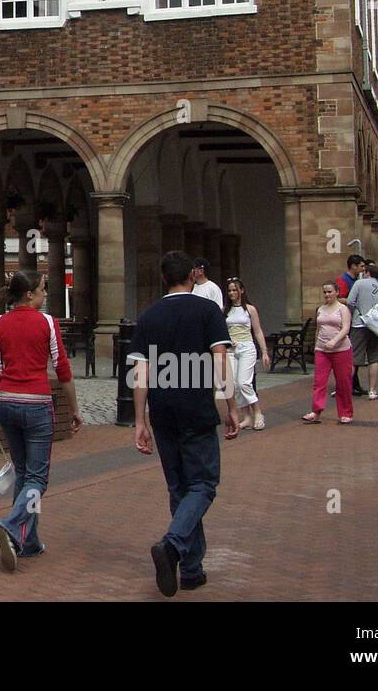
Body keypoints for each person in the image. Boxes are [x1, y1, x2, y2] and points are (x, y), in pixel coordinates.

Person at [131, 251, 238, 597]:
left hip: (163, 410)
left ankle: (192, 570)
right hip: (195, 407)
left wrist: (139, 421)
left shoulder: (148, 317)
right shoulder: (207, 311)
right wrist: (231, 405)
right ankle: (174, 545)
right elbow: (220, 358)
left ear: (164, 277)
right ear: (192, 276)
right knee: (204, 484)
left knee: (180, 488)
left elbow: (141, 371)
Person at [0, 270, 82, 572]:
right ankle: (11, 525)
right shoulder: (48, 323)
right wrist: (74, 408)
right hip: (37, 404)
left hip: (8, 404)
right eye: (42, 289)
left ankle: (29, 541)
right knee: (38, 479)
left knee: (24, 473)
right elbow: (62, 368)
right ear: (29, 294)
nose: (45, 294)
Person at [223, 277, 271, 430]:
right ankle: (247, 416)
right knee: (235, 384)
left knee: (244, 382)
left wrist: (264, 352)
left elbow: (257, 331)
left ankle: (257, 412)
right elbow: (222, 331)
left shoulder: (250, 309)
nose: (232, 293)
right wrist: (228, 341)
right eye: (230, 290)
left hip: (247, 347)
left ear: (241, 291)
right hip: (231, 349)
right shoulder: (225, 310)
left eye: (235, 289)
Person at [304, 282, 353, 423]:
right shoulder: (320, 309)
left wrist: (334, 341)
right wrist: (316, 346)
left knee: (343, 382)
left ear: (337, 292)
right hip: (322, 350)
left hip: (341, 350)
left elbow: (345, 328)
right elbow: (318, 329)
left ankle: (346, 412)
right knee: (319, 382)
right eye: (325, 292)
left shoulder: (343, 309)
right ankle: (316, 411)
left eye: (330, 292)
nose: (327, 295)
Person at [347, 262, 378, 400]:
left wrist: (354, 314)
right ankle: (372, 391)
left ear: (368, 273)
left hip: (359, 325)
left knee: (353, 359)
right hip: (375, 328)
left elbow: (350, 301)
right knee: (373, 359)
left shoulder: (359, 284)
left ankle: (345, 389)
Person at [335, 254, 366, 394]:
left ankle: (354, 382)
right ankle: (348, 384)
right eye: (361, 266)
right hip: (347, 320)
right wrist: (352, 301)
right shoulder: (343, 280)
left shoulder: (357, 280)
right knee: (349, 354)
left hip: (355, 320)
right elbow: (339, 298)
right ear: (353, 266)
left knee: (354, 353)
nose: (363, 269)